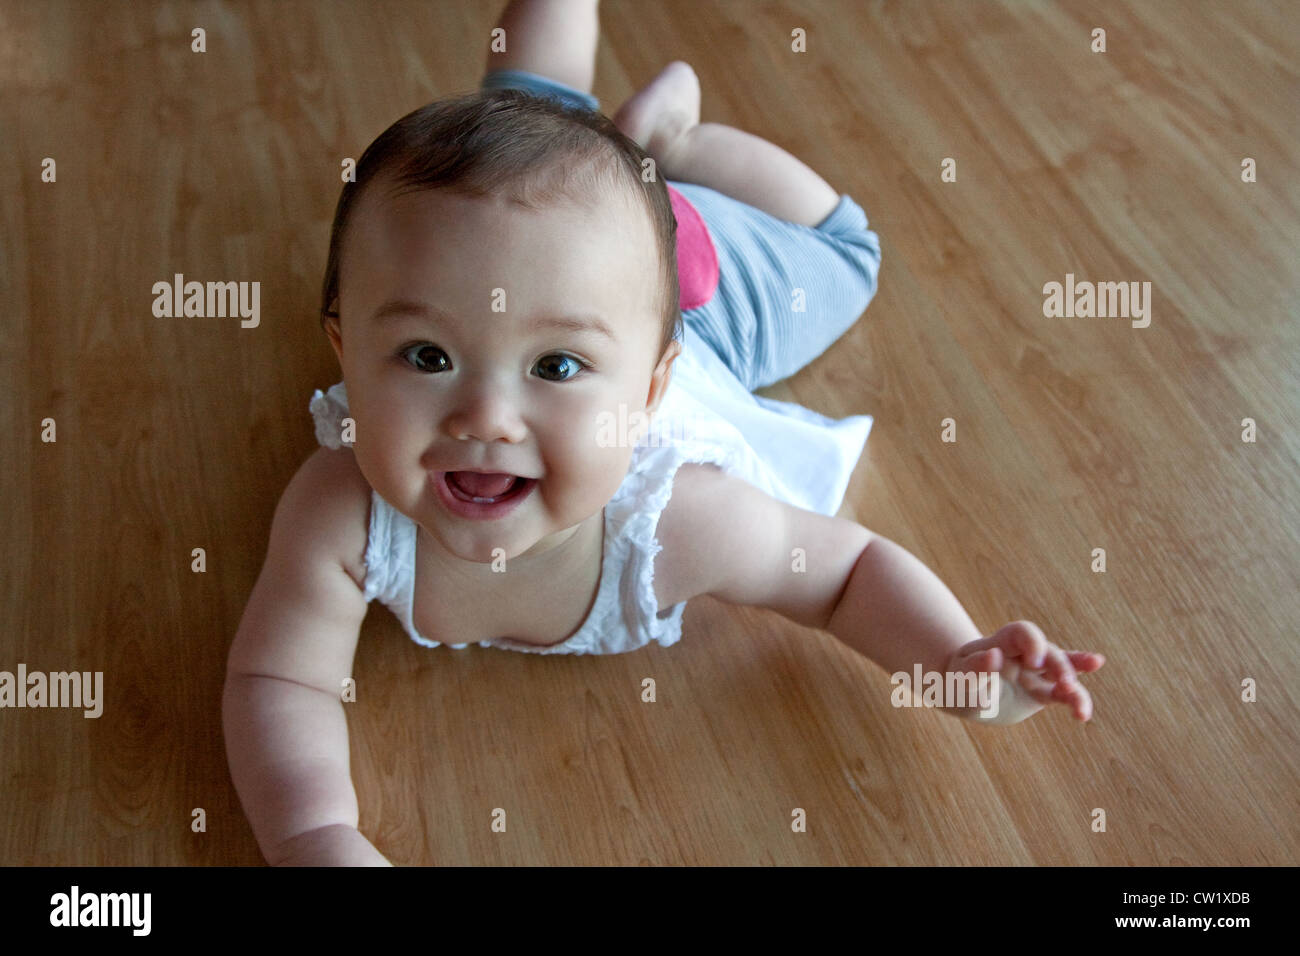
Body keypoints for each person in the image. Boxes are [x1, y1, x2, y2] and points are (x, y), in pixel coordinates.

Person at [223, 0, 1105, 867]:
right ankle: (563, 116)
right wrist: (313, 836)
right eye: (425, 354)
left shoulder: (680, 521)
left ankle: (675, 148)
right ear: (344, 348)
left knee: (846, 256)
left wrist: (957, 664)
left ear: (648, 390)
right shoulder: (338, 512)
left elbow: (843, 577)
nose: (485, 420)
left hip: (699, 296)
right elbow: (280, 681)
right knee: (526, 129)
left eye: (555, 368)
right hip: (562, 260)